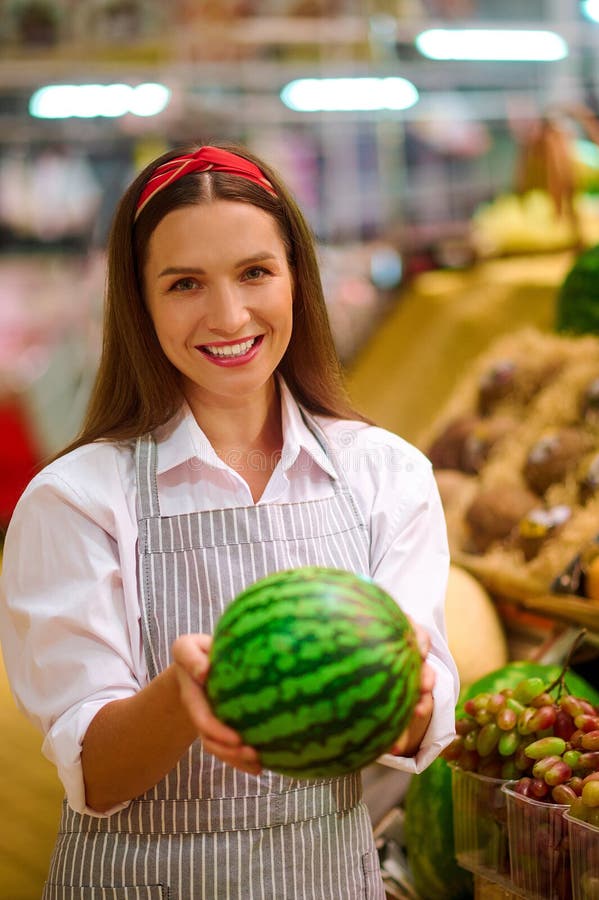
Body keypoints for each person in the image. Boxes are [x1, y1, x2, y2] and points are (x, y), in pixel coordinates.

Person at [0, 143, 459, 899]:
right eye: (184, 283)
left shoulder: (389, 474)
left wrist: (405, 698)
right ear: (139, 302)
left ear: (295, 279)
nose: (228, 315)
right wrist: (184, 694)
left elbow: (421, 723)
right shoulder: (75, 500)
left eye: (254, 272)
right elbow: (94, 771)